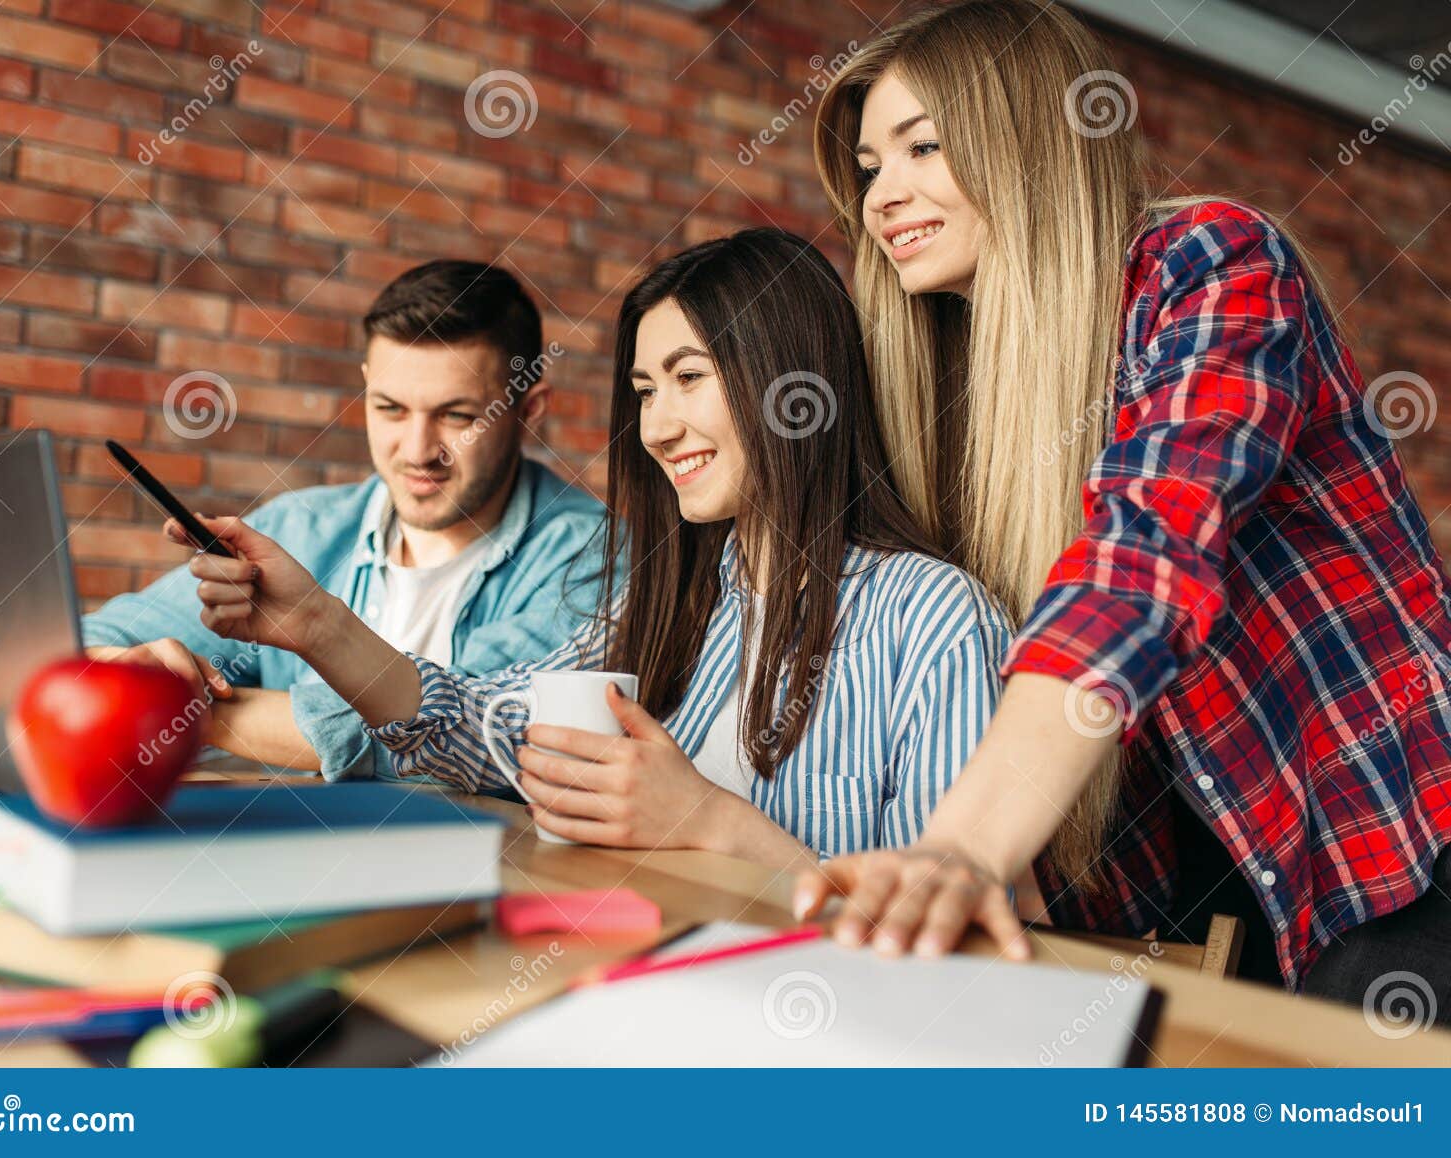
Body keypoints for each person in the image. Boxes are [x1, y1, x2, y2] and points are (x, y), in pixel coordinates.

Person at [795, 0, 1451, 1012]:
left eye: (922, 146)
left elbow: (1147, 548)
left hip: (1382, 841)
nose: (884, 194)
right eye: (870, 166)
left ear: (1025, 138)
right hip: (1180, 895)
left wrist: (964, 847)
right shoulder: (958, 388)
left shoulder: (1210, 262)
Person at [171, 228, 1016, 876]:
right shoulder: (672, 603)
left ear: (792, 383)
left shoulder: (934, 619)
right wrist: (315, 623)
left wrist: (709, 822)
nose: (657, 428)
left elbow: (944, 939)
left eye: (689, 378)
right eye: (646, 392)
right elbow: (479, 727)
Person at [83, 260, 606, 782]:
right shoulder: (299, 528)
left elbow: (470, 733)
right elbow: (84, 644)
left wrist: (188, 706)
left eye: (457, 416)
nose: (418, 451)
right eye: (390, 408)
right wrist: (132, 669)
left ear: (529, 408)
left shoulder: (590, 557)